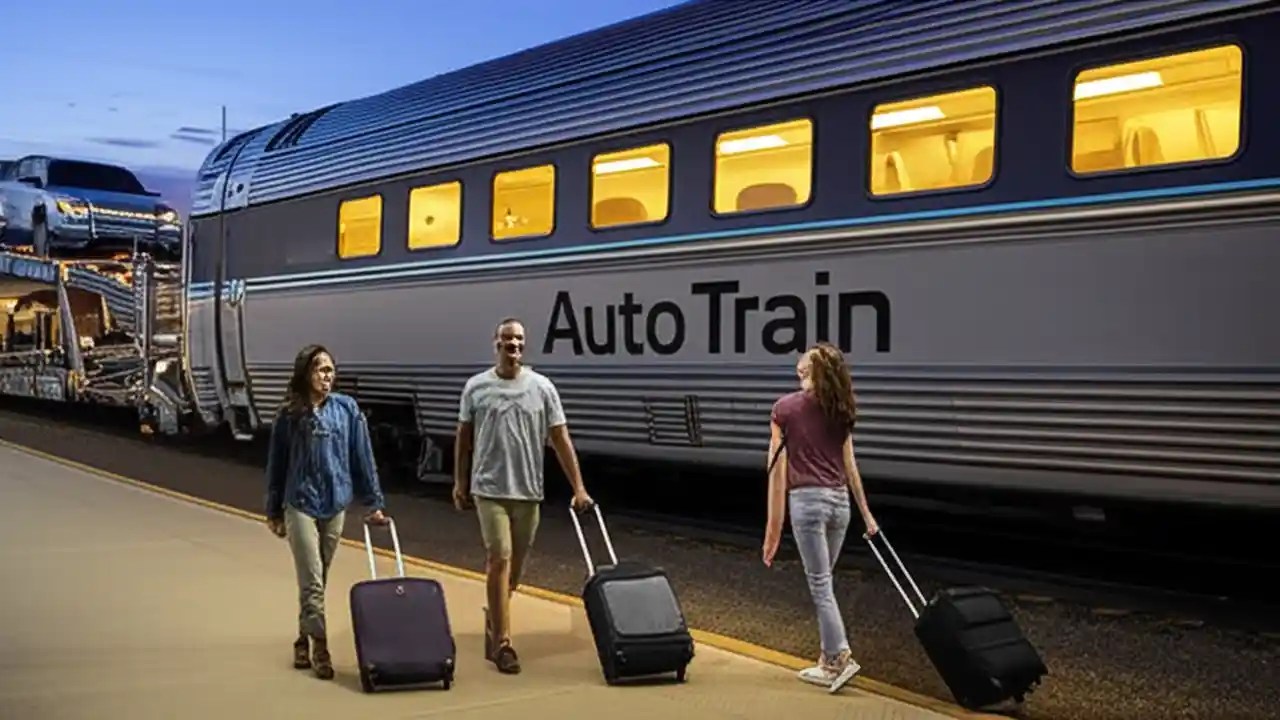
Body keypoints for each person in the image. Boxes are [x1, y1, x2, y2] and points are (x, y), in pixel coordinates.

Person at [452, 317, 593, 675]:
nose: (513, 345)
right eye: (506, 339)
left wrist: (579, 487)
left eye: (518, 340)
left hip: (528, 491)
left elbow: (560, 439)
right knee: (498, 557)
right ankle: (503, 643)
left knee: (515, 568)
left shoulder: (542, 388)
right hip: (490, 489)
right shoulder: (476, 388)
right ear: (495, 343)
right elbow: (464, 439)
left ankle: (495, 612)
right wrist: (459, 482)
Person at [264, 344, 390, 680]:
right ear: (306, 373)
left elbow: (362, 458)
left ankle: (302, 637)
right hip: (299, 504)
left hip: (335, 503)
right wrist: (273, 510)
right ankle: (320, 646)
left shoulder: (347, 410)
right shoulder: (289, 415)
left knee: (317, 578)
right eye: (321, 369)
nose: (327, 376)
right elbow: (276, 466)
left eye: (331, 370)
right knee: (312, 579)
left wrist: (374, 502)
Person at [762, 342, 879, 693]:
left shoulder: (784, 409)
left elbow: (775, 471)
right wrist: (867, 515)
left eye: (804, 364)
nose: (798, 367)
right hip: (840, 504)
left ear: (811, 372)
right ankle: (827, 660)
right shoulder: (839, 410)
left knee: (820, 585)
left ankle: (840, 656)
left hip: (807, 503)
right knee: (824, 581)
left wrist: (772, 530)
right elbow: (851, 467)